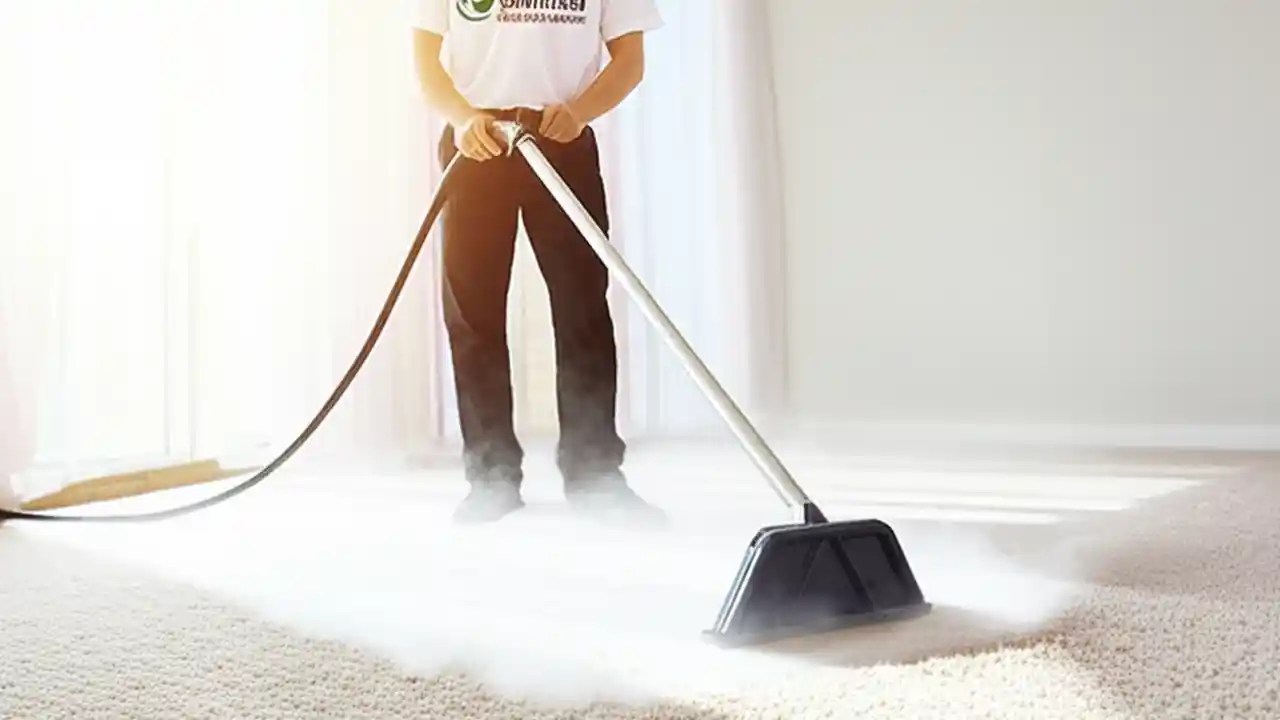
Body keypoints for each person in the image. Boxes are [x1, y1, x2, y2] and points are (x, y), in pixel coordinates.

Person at [410, 0, 666, 526]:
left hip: (561, 138)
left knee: (582, 310)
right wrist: (462, 118)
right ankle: (491, 474)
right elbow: (426, 61)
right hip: (476, 145)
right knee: (473, 313)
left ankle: (594, 472)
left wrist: (580, 113)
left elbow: (629, 61)